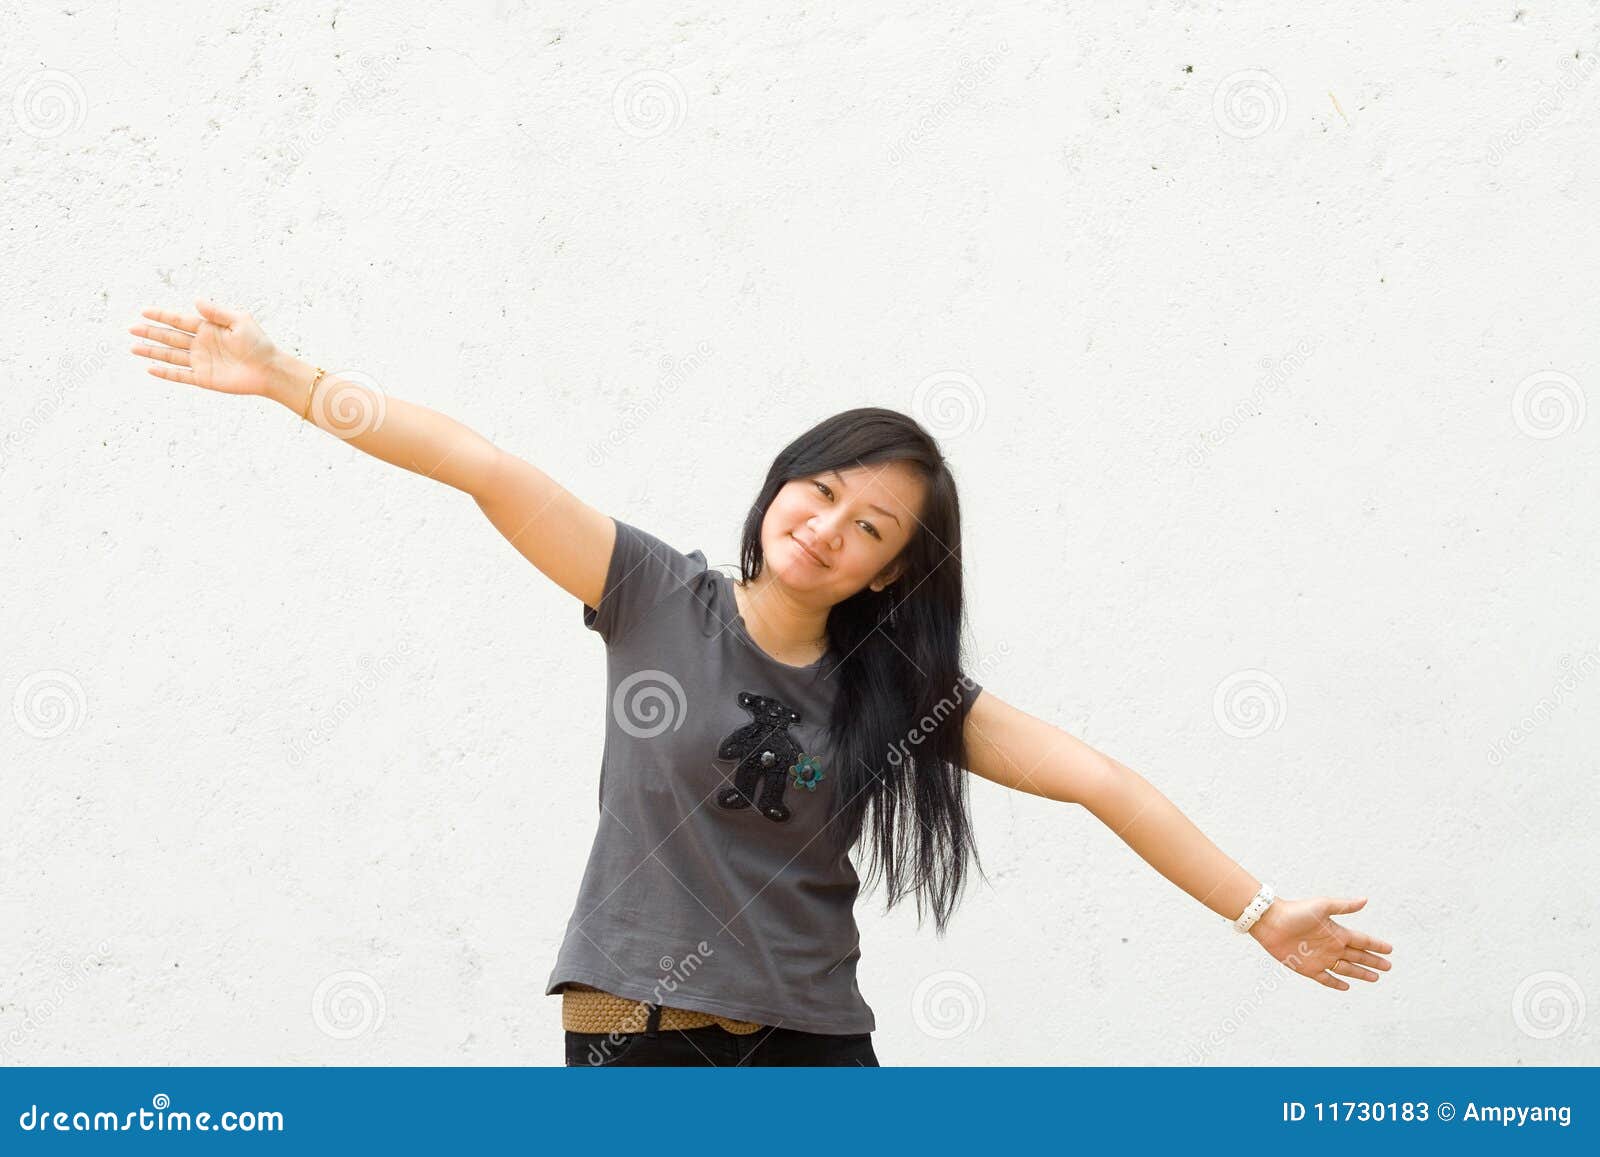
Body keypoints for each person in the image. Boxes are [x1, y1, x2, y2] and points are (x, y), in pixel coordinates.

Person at [128, 299, 1396, 1067]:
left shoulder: (903, 695)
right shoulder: (650, 594)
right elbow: (486, 466)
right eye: (824, 489)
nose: (830, 527)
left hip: (809, 1042)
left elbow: (1099, 780)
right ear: (783, 479)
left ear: (891, 574)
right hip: (638, 1031)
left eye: (872, 530)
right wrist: (289, 378)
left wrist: (1259, 908)